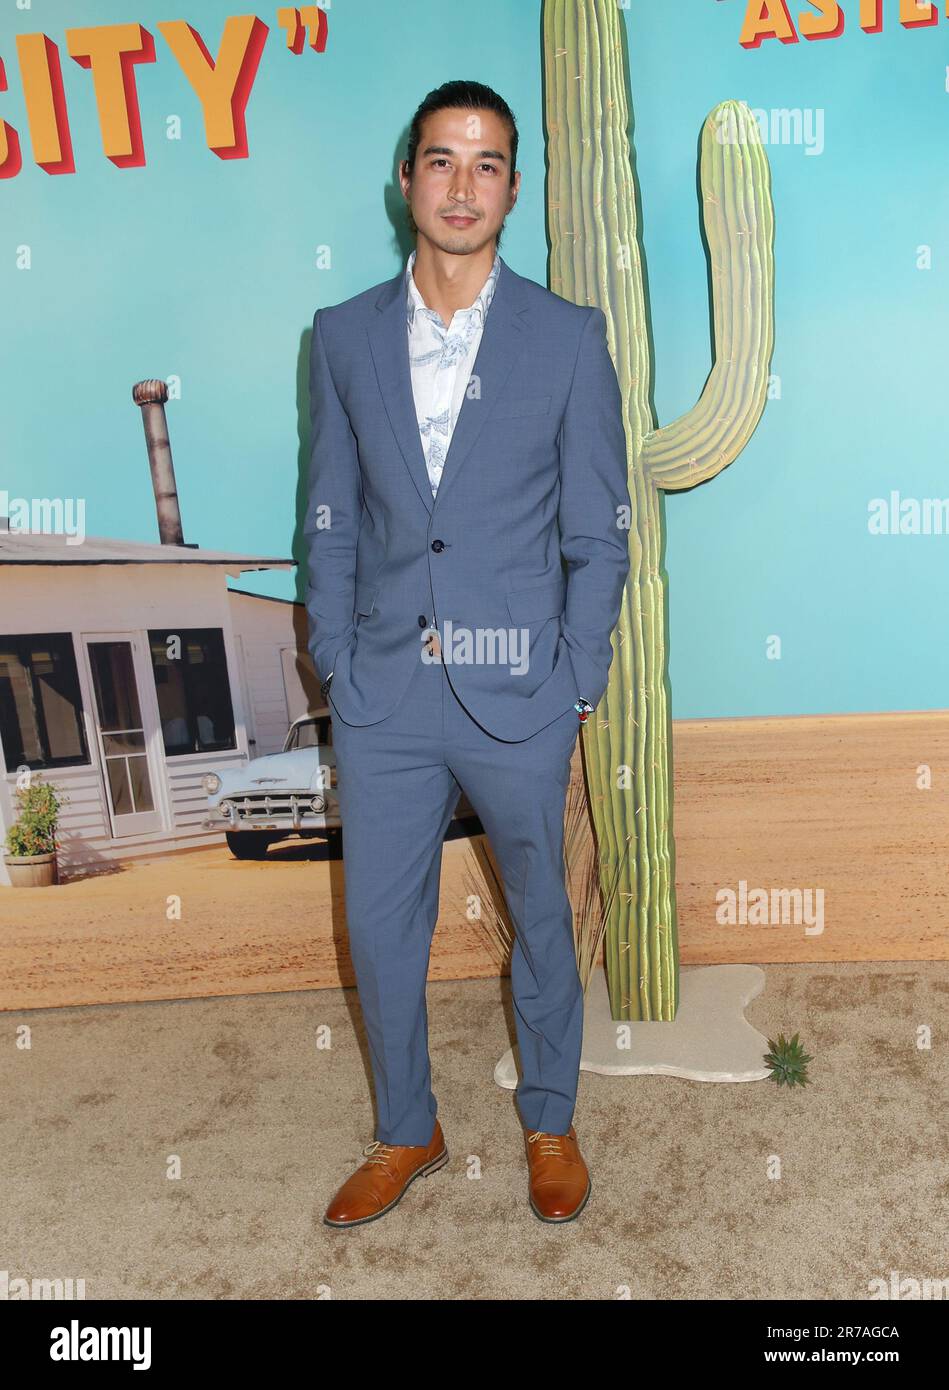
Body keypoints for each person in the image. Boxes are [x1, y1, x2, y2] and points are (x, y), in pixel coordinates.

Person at [304, 79, 630, 1227]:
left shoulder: (568, 337)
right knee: (377, 929)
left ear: (515, 189)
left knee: (540, 914)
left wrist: (575, 680)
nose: (461, 184)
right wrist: (337, 667)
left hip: (521, 690)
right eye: (440, 160)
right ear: (408, 180)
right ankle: (408, 1128)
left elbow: (598, 529)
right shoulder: (342, 336)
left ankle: (550, 1117)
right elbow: (328, 516)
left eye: (486, 163)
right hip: (386, 692)